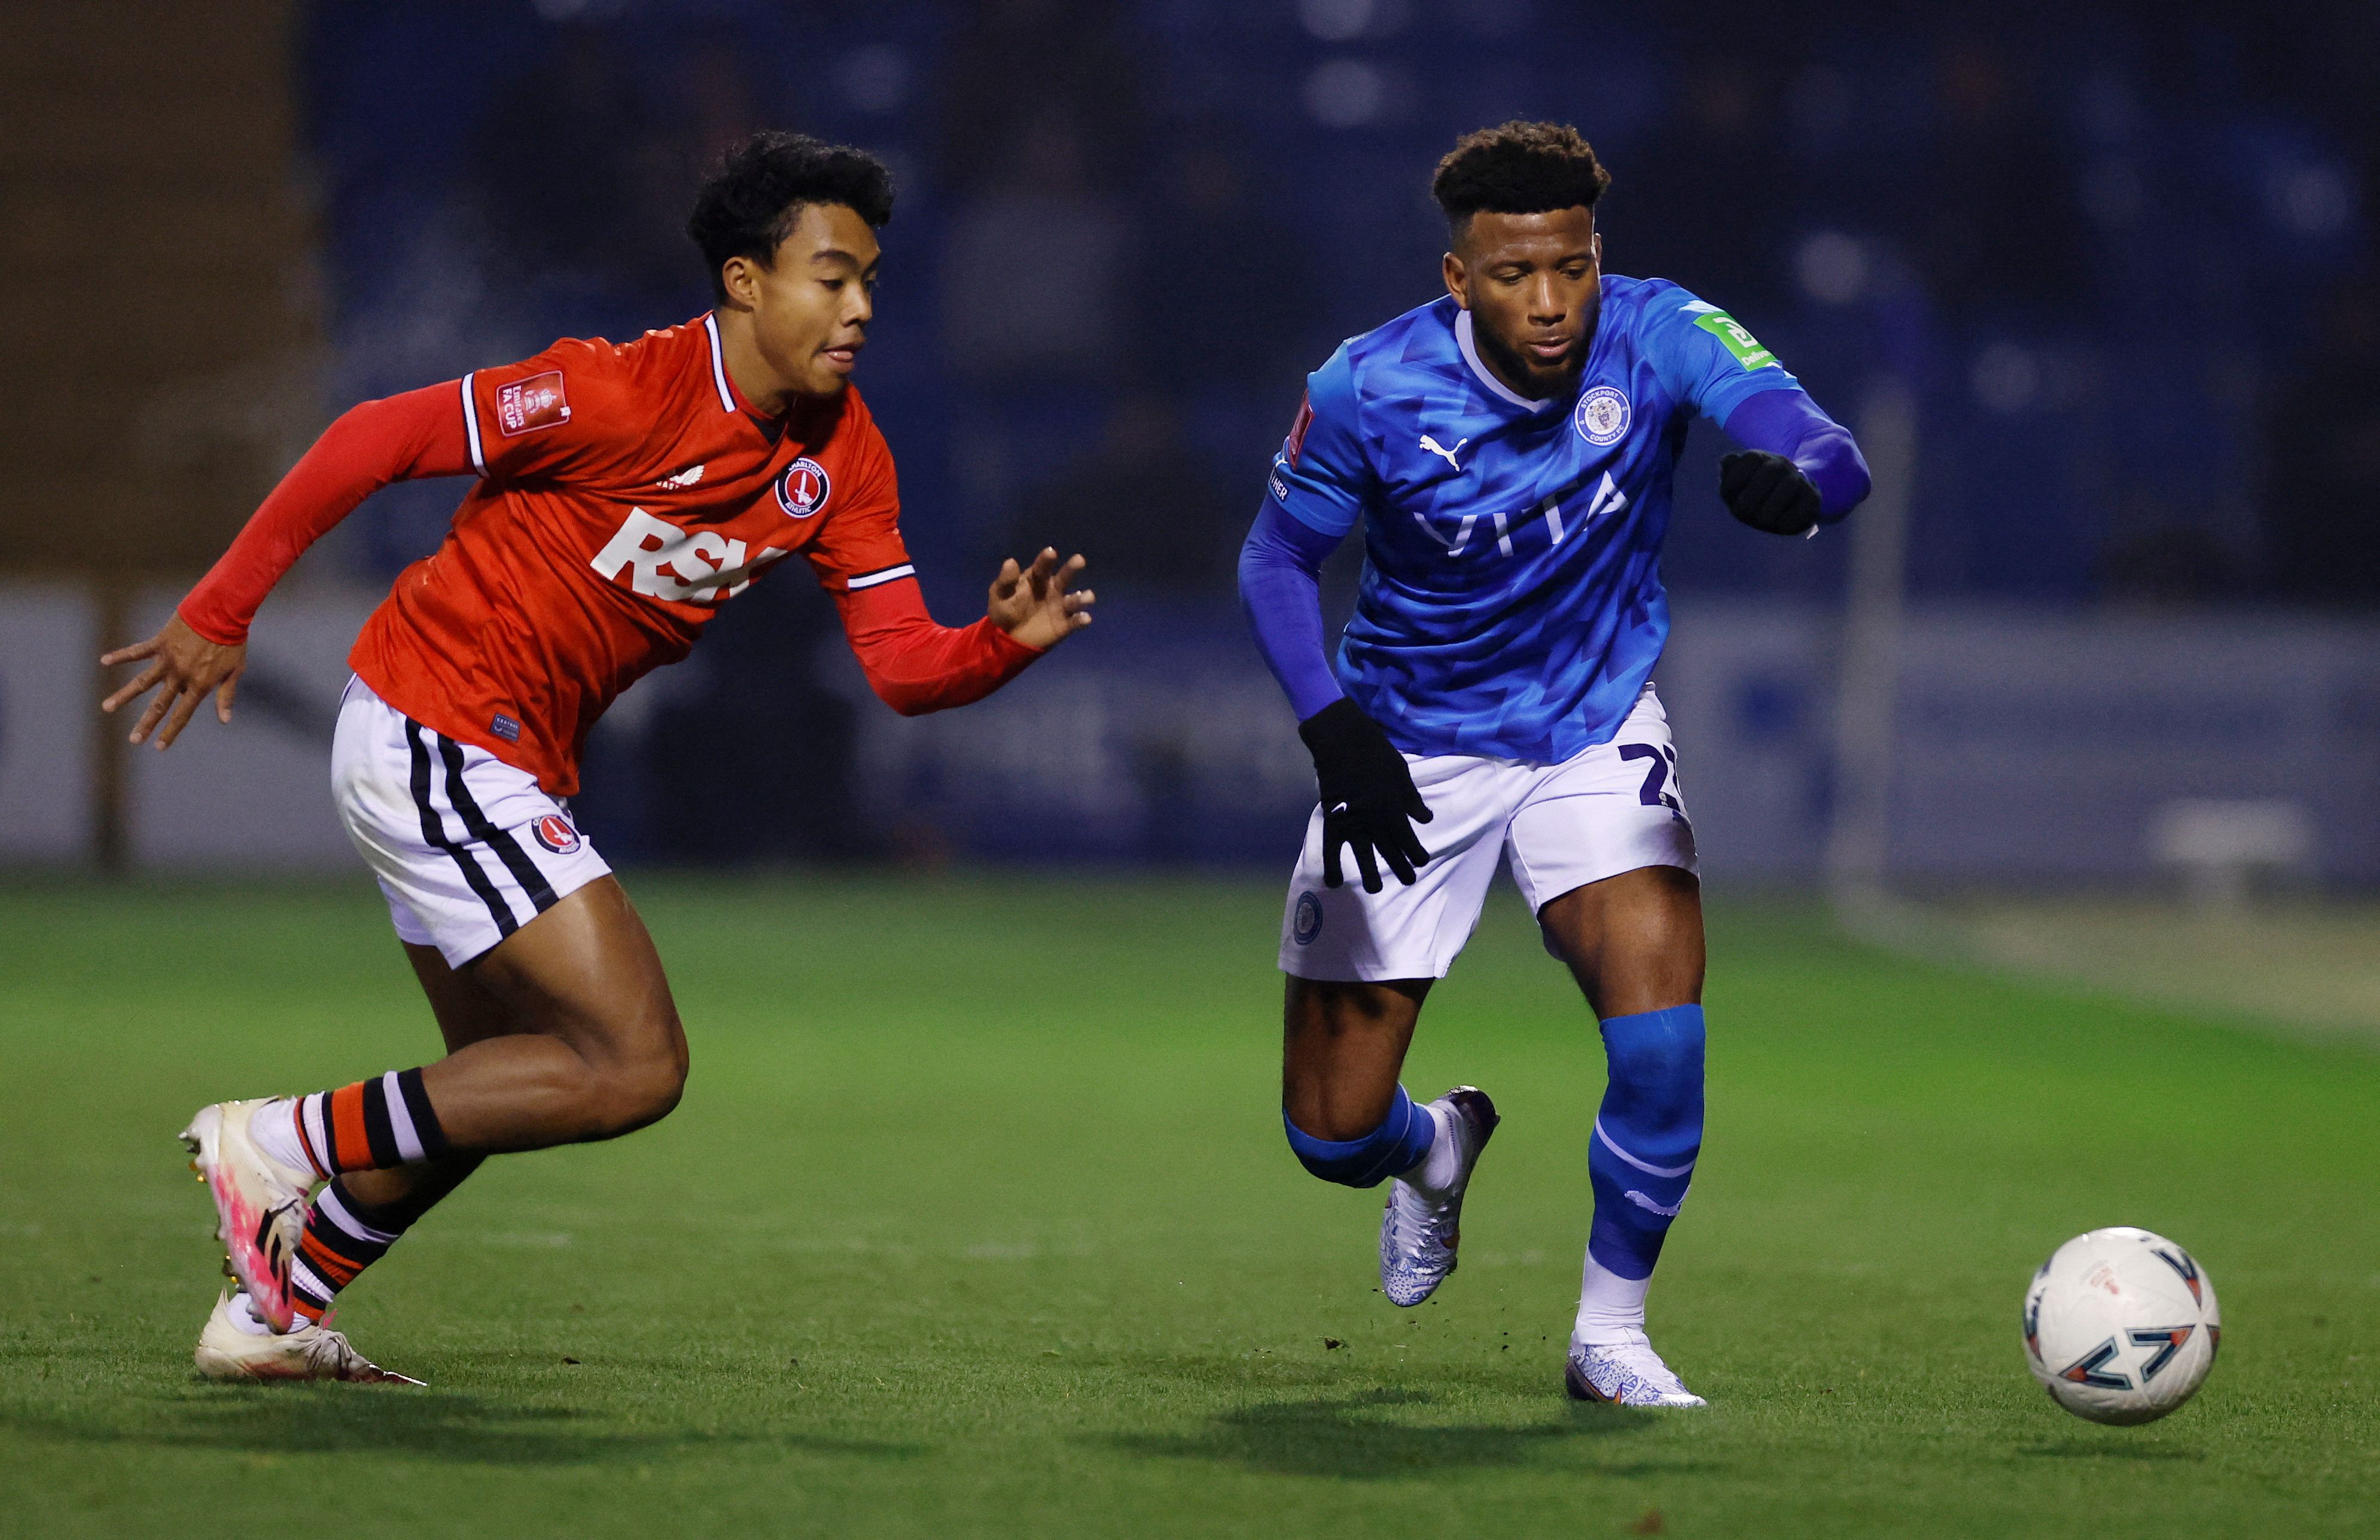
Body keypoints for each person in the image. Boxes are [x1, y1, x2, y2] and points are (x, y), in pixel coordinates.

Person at [100, 132, 1093, 1383]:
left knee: (504, 1082)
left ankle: (271, 1315)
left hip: (481, 753)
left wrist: (1000, 649)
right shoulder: (615, 390)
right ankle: (279, 1137)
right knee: (633, 1066)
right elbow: (370, 438)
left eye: (870, 280)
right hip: (440, 722)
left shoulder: (845, 457)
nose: (860, 308)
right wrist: (221, 607)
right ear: (745, 282)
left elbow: (901, 668)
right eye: (830, 277)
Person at [1237, 122, 1869, 1407]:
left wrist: (1798, 489)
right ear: (1458, 277)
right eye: (1516, 273)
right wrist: (1330, 723)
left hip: (1591, 724)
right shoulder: (1368, 384)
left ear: (1598, 257)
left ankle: (1610, 1335)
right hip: (1407, 749)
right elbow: (1273, 561)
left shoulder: (1659, 331)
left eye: (1571, 268)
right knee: (1329, 1132)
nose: (1550, 301)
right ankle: (1434, 1147)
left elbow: (1827, 448)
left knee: (1659, 1036)